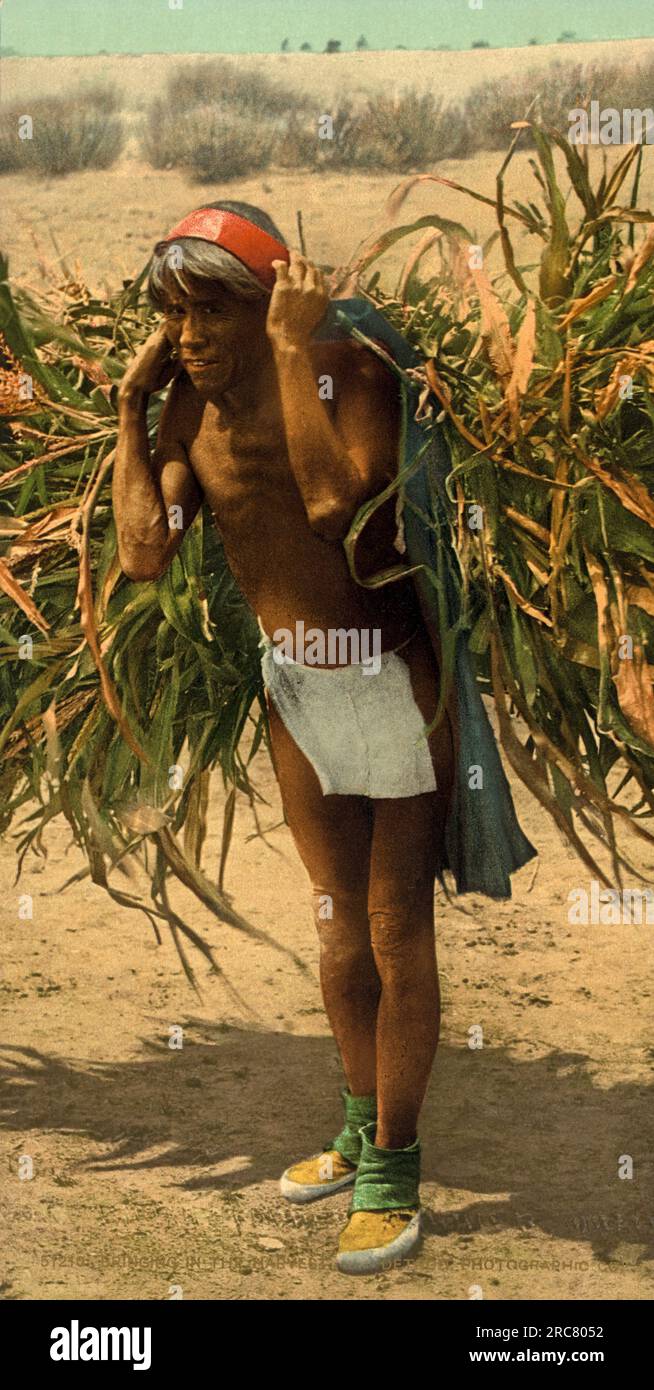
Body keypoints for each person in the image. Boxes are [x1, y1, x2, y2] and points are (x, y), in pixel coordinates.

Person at [113, 200, 534, 1275]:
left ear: (270, 305)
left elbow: (332, 504)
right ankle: (358, 1126)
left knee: (398, 933)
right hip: (297, 689)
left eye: (212, 310)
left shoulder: (350, 370)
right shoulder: (187, 413)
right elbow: (148, 555)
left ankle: (396, 1169)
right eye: (175, 313)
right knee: (339, 929)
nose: (191, 336)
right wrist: (129, 411)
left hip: (390, 685)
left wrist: (296, 350)